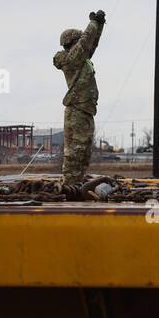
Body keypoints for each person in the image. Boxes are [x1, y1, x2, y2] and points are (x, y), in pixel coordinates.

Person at [53, 10, 105, 189]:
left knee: (85, 150)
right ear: (72, 44)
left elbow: (91, 44)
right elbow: (85, 43)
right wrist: (92, 24)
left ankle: (77, 184)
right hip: (77, 109)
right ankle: (69, 185)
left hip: (86, 109)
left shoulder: (82, 58)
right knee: (75, 150)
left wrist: (99, 26)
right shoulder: (72, 59)